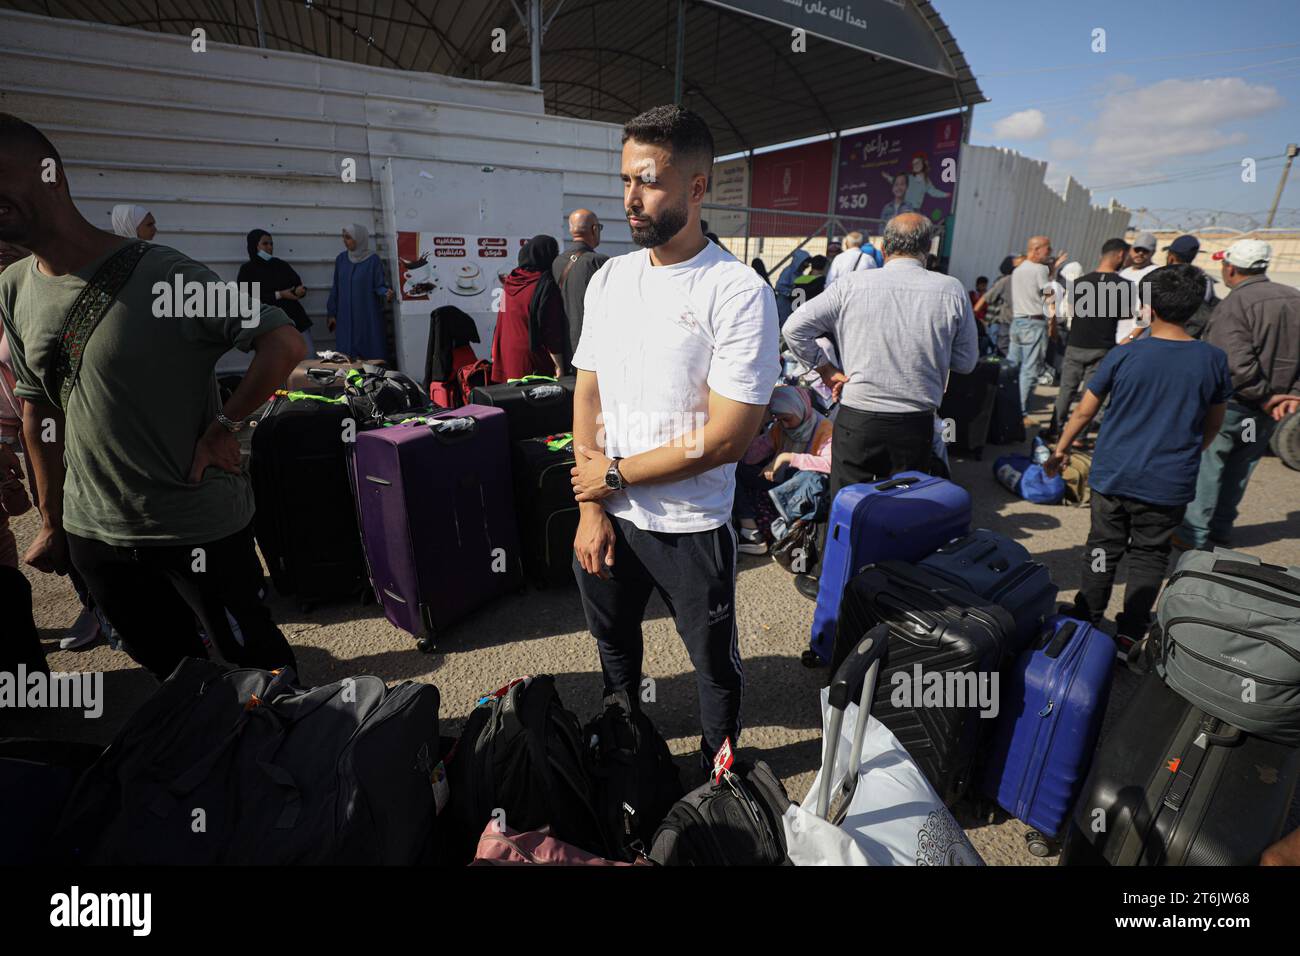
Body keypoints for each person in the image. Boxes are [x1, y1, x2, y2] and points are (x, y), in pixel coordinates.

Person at [0, 112, 304, 681]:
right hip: (95, 535)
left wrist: (224, 428)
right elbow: (37, 402)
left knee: (258, 669)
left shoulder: (167, 277)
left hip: (194, 524)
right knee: (171, 672)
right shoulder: (13, 286)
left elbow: (281, 342)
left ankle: (288, 753)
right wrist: (51, 518)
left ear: (50, 175)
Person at [568, 104, 779, 773]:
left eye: (649, 181)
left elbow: (727, 437)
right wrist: (592, 505)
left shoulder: (738, 291)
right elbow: (589, 393)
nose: (631, 198)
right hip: (609, 513)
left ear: (695, 187)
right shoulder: (609, 278)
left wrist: (618, 476)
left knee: (712, 663)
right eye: (626, 179)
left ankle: (718, 776)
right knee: (614, 649)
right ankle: (625, 743)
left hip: (690, 525)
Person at [1044, 265, 1232, 660]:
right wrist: (1187, 453)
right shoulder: (1212, 360)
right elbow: (1214, 422)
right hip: (1168, 481)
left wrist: (1060, 449)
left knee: (1102, 547)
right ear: (1196, 307)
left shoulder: (1124, 354)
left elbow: (1083, 413)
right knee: (1151, 554)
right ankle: (1130, 634)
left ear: (1147, 307)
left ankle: (1087, 618)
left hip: (1114, 473)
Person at [783, 212, 978, 501]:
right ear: (927, 251)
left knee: (847, 504)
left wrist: (825, 369)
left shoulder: (851, 286)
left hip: (857, 420)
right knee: (904, 508)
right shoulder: (951, 290)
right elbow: (966, 361)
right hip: (915, 422)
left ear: (884, 249)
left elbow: (794, 328)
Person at [1177, 239, 1300, 551]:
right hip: (1270, 409)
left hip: (1234, 405)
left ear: (1230, 268)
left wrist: (1263, 396)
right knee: (1240, 467)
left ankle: (1194, 535)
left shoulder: (1236, 304)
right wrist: (1289, 394)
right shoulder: (1294, 299)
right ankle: (1220, 529)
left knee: (1210, 464)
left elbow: (1233, 363)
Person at [1051, 239, 1136, 436]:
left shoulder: (1079, 283)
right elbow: (1131, 314)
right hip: (1102, 347)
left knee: (1066, 390)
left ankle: (1054, 429)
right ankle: (1079, 435)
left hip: (1075, 344)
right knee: (1091, 394)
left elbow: (1071, 311)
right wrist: (1131, 335)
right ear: (1121, 255)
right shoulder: (1125, 286)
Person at [733, 385, 831, 554]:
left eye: (786, 418)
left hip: (804, 491)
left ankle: (768, 527)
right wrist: (761, 421)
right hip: (783, 482)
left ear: (799, 409)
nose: (784, 424)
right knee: (735, 469)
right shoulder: (780, 428)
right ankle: (750, 531)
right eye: (778, 418)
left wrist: (787, 457)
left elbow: (829, 465)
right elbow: (749, 457)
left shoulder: (825, 429)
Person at [1008, 235, 1068, 423]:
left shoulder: (1019, 269)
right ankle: (1021, 412)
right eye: (1047, 249)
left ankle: (1006, 407)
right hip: (1034, 323)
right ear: (1036, 250)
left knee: (1012, 368)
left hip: (1017, 322)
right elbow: (1048, 296)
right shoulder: (1038, 270)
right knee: (1029, 370)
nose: (1049, 253)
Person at [491, 234, 566, 382]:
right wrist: (559, 365)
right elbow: (550, 329)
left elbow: (501, 319)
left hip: (507, 356)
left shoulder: (510, 281)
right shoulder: (544, 284)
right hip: (532, 360)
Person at [237, 229, 314, 353]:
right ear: (255, 245)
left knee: (307, 356)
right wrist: (279, 295)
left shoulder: (280, 265)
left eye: (271, 244)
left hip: (294, 320)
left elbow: (296, 284)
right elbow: (249, 299)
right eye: (265, 244)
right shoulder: (248, 270)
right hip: (268, 325)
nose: (269, 247)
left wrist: (300, 291)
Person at [326, 222, 393, 360]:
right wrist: (331, 313)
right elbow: (336, 287)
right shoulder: (341, 259)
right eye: (344, 237)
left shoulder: (373, 260)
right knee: (347, 353)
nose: (345, 241)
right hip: (345, 316)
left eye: (348, 237)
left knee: (371, 350)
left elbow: (379, 284)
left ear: (359, 238)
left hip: (366, 315)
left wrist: (386, 293)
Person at [553, 209, 609, 364]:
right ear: (594, 229)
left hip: (563, 349)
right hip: (591, 349)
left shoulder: (556, 262)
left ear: (571, 230)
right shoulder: (599, 262)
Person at [1164, 234, 1219, 338]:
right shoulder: (1204, 279)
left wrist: (1134, 336)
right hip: (1190, 337)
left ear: (1171, 257)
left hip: (1159, 336)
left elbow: (1145, 314)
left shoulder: (1158, 277)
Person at [973, 254, 1022, 356]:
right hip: (1001, 322)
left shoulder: (1007, 280)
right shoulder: (1005, 280)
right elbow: (986, 298)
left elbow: (986, 298)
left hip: (1008, 322)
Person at [1117, 230, 1159, 342]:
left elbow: (1147, 310)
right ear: (1131, 250)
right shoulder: (1124, 272)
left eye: (1145, 251)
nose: (1140, 253)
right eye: (1137, 249)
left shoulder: (1153, 273)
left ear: (1153, 252)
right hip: (1115, 336)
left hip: (1133, 340)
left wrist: (1131, 337)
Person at [773, 249, 811, 327]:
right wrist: (790, 293)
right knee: (784, 323)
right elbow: (779, 287)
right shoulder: (788, 272)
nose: (806, 266)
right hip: (784, 303)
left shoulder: (799, 273)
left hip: (794, 302)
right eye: (805, 263)